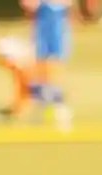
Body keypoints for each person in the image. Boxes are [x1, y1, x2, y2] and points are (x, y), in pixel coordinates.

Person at [23, 0, 72, 128]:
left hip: (57, 21)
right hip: (43, 21)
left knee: (55, 63)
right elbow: (29, 5)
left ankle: (57, 101)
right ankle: (43, 100)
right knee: (42, 61)